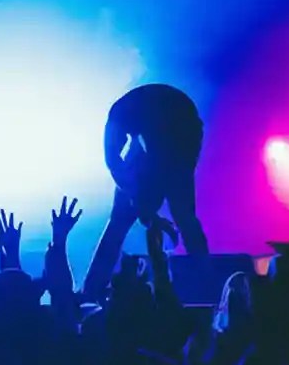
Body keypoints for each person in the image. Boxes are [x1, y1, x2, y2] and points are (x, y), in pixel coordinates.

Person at [84, 84, 209, 299]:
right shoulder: (125, 138)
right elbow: (116, 165)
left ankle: (89, 292)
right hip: (175, 125)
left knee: (180, 215)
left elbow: (147, 199)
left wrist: (149, 214)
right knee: (182, 217)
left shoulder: (171, 159)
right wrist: (149, 214)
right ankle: (206, 284)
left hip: (181, 129)